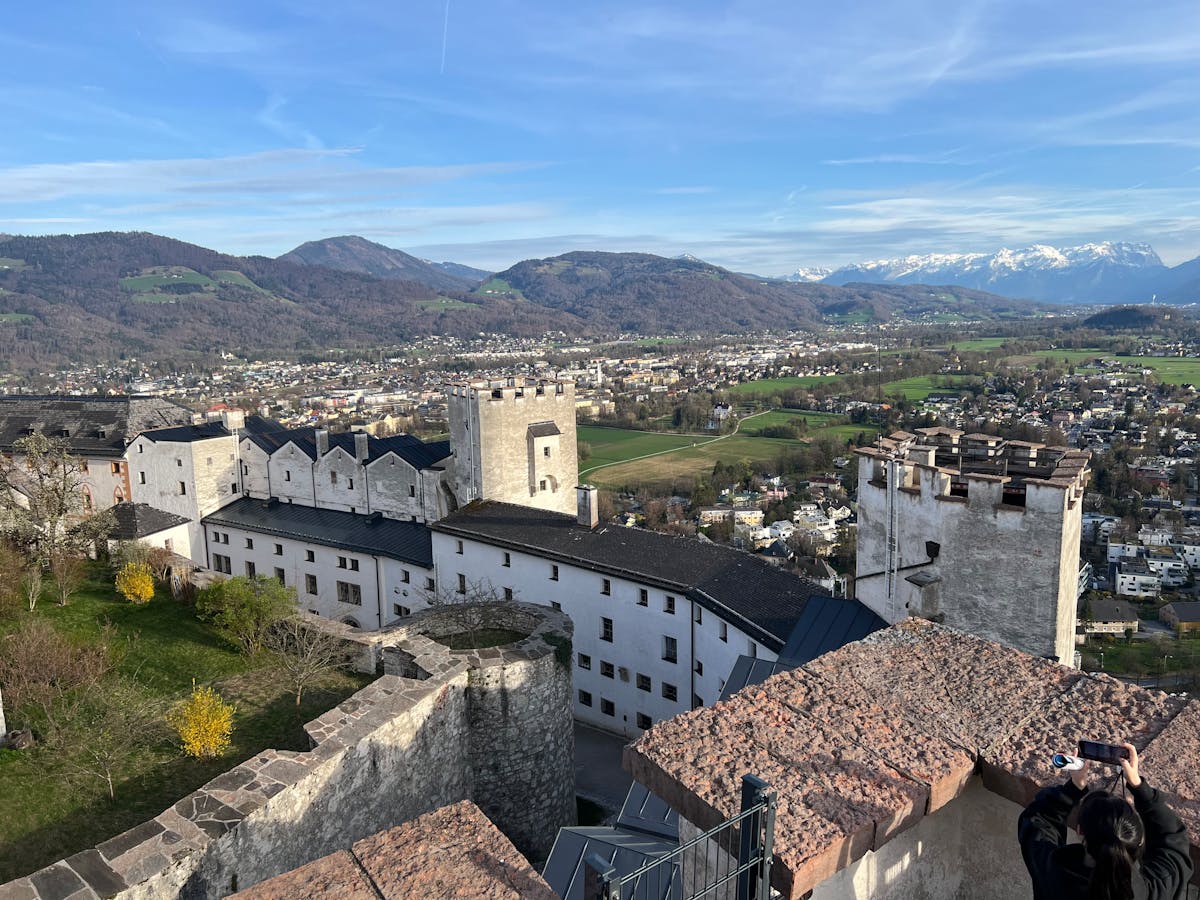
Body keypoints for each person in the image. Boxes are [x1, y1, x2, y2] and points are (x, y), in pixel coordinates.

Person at [1018, 741, 1192, 899]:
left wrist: (1074, 788)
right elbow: (1174, 843)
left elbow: (1038, 820)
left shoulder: (1050, 872)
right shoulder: (1155, 890)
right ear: (1140, 841)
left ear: (1079, 831)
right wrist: (1139, 787)